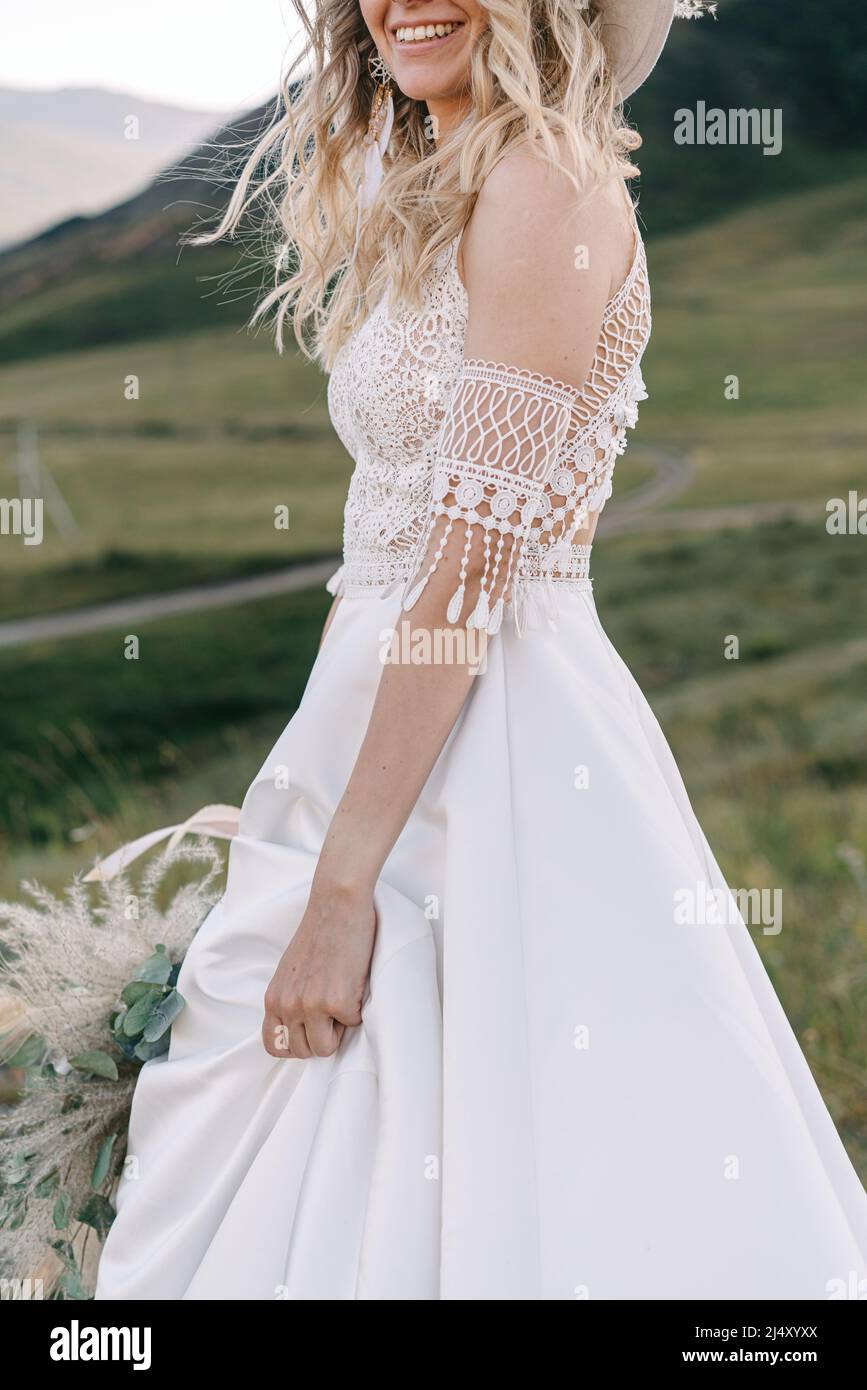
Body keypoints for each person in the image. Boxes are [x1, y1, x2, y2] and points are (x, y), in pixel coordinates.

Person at [96, 1, 867, 1300]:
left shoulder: (544, 186)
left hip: (498, 731)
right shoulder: (434, 178)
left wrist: (345, 890)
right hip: (372, 703)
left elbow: (466, 574)